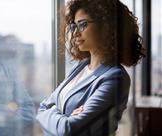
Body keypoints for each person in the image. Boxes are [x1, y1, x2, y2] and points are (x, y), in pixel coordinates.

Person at [36, 0, 145, 135]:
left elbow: (68, 129)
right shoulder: (80, 67)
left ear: (106, 26)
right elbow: (42, 108)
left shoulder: (116, 78)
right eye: (74, 25)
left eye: (83, 24)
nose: (75, 32)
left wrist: (51, 112)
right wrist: (62, 116)